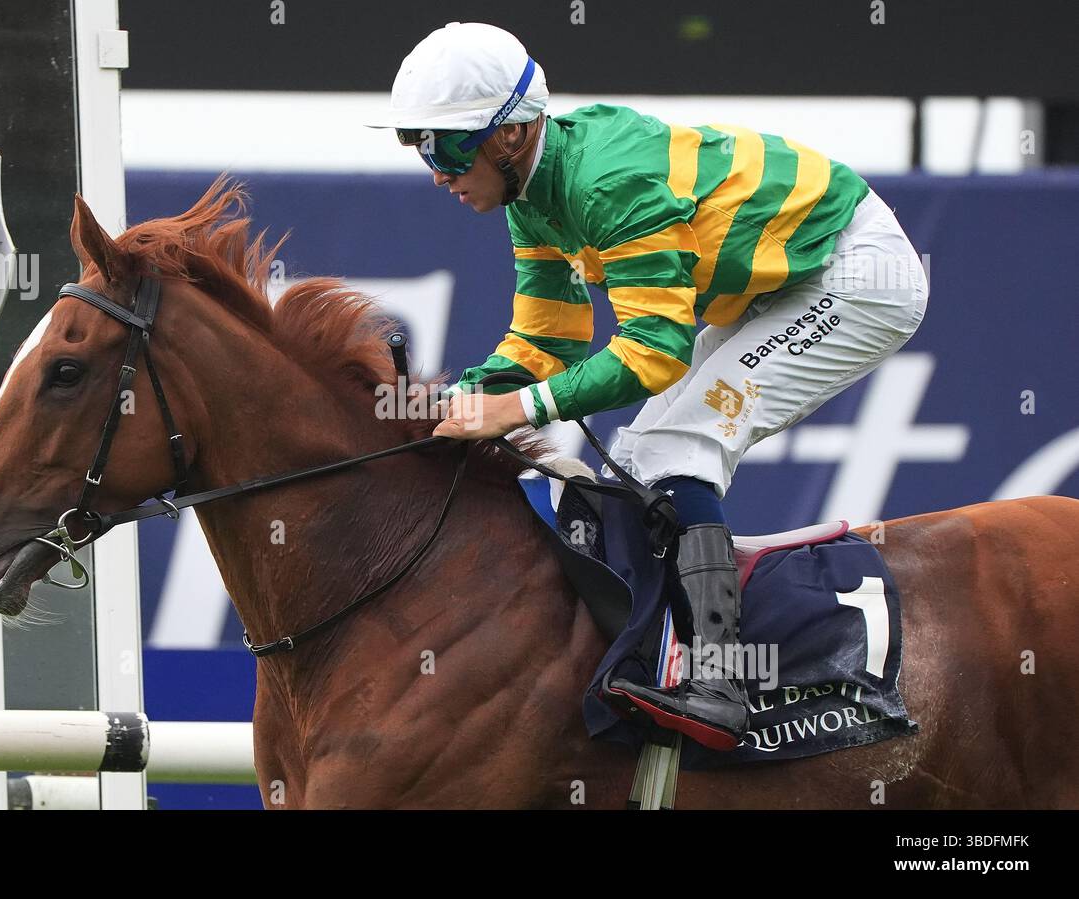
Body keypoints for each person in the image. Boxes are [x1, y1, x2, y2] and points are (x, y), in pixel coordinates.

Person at [367, 22, 928, 750]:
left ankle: (721, 683)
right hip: (779, 283)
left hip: (853, 274)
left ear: (509, 134)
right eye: (418, 146)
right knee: (636, 460)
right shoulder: (532, 189)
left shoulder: (607, 181)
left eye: (445, 146)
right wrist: (454, 399)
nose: (437, 172)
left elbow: (654, 353)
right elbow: (546, 339)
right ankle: (667, 656)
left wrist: (515, 408)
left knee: (677, 446)